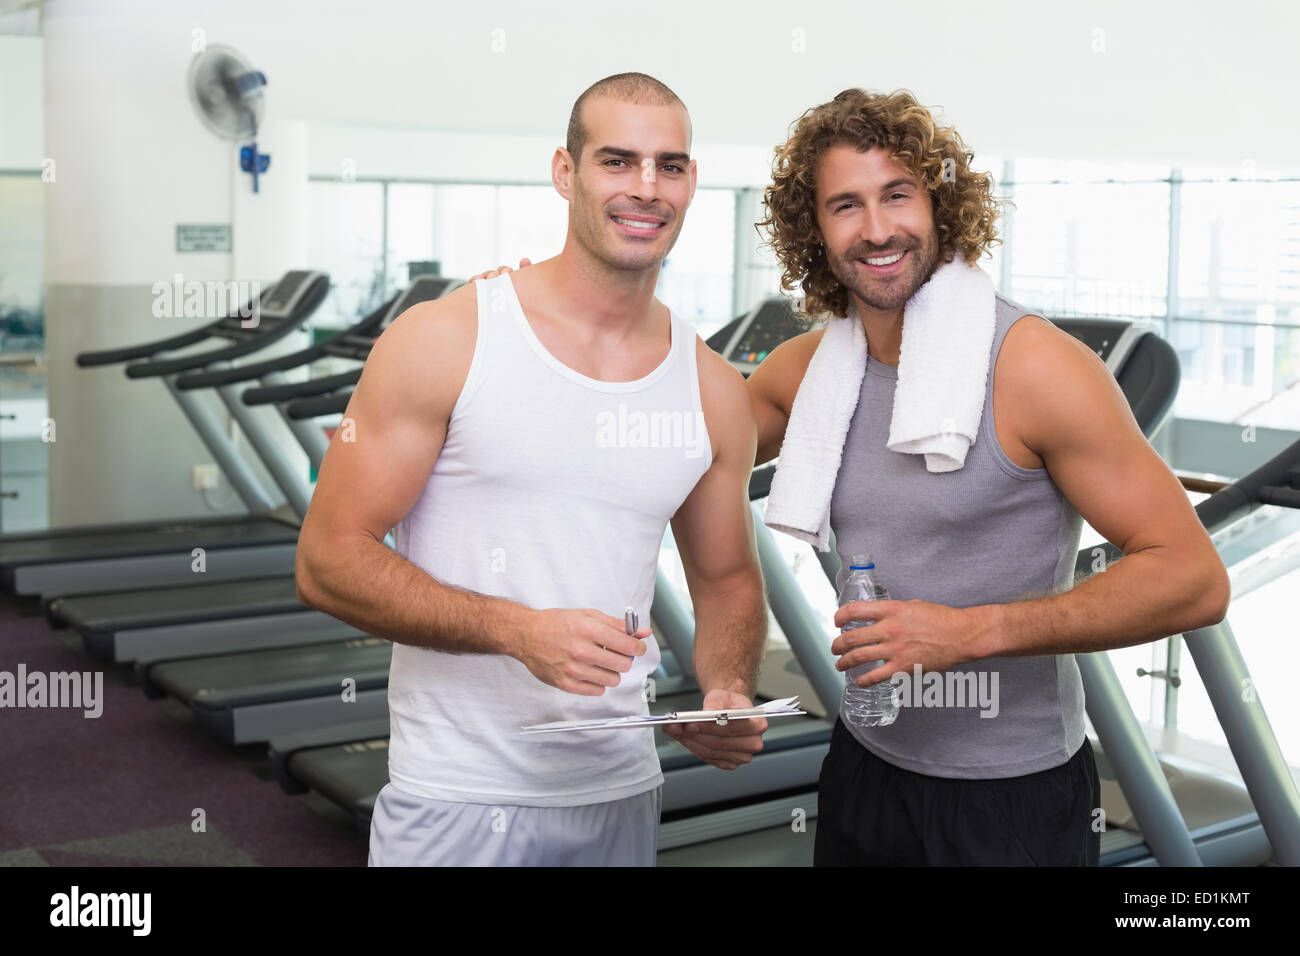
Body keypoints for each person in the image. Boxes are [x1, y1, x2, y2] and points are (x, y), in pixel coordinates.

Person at [295, 72, 770, 867]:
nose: (646, 189)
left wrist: (726, 688)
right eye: (617, 161)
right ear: (565, 172)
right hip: (457, 794)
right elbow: (328, 560)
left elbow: (726, 580)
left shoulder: (713, 389)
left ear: (691, 183)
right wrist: (517, 632)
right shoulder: (445, 338)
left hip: (620, 790)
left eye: (670, 166)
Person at [746, 88, 1231, 865]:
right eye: (846, 204)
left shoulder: (1036, 368)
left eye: (897, 195)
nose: (876, 229)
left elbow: (1194, 579)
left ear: (940, 205)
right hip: (865, 766)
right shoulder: (809, 370)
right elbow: (681, 448)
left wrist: (972, 631)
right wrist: (552, 302)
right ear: (815, 229)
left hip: (1009, 795)